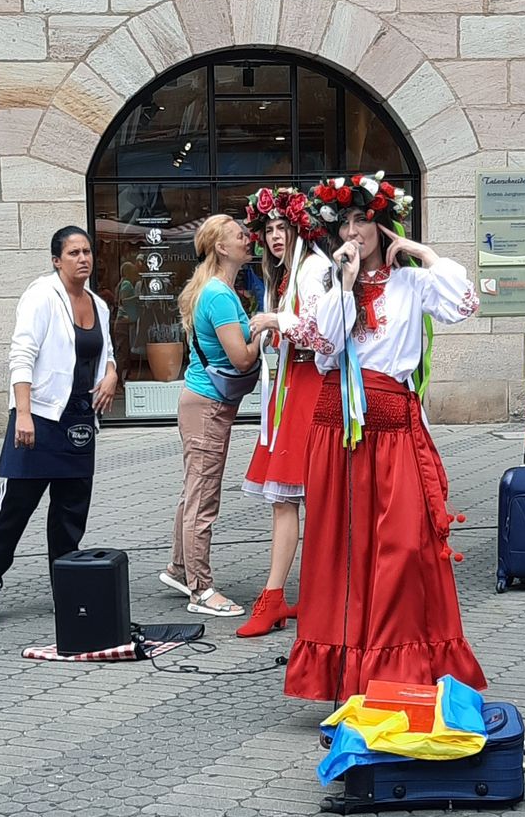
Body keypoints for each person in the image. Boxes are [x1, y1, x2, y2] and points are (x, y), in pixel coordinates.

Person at [283, 172, 487, 702]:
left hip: (394, 425)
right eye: (345, 222)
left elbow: (466, 304)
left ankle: (397, 669)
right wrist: (345, 284)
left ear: (382, 225)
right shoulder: (328, 283)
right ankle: (344, 673)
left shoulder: (413, 282)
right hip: (338, 429)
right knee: (341, 548)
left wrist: (420, 250)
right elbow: (323, 340)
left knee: (401, 546)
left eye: (363, 220)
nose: (353, 231)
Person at [0, 226, 118, 624]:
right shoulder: (40, 296)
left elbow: (107, 354)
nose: (83, 258)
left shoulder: (99, 305)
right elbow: (21, 355)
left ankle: (66, 590)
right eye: (73, 253)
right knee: (15, 506)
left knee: (71, 513)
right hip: (38, 418)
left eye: (87, 251)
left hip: (79, 420)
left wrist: (112, 374)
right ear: (57, 260)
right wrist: (22, 413)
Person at [237, 187, 336, 638]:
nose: (275, 237)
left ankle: (318, 594)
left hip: (313, 386)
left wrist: (274, 321)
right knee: (286, 498)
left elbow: (324, 334)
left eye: (282, 228)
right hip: (292, 385)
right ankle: (280, 595)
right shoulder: (285, 273)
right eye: (269, 230)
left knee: (316, 497)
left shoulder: (314, 266)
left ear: (298, 228)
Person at [159, 214, 262, 617]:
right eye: (240, 235)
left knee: (193, 491)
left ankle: (179, 568)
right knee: (204, 499)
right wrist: (263, 333)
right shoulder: (219, 296)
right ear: (221, 247)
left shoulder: (215, 288)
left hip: (201, 402)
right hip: (208, 405)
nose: (247, 239)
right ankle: (201, 590)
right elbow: (239, 359)